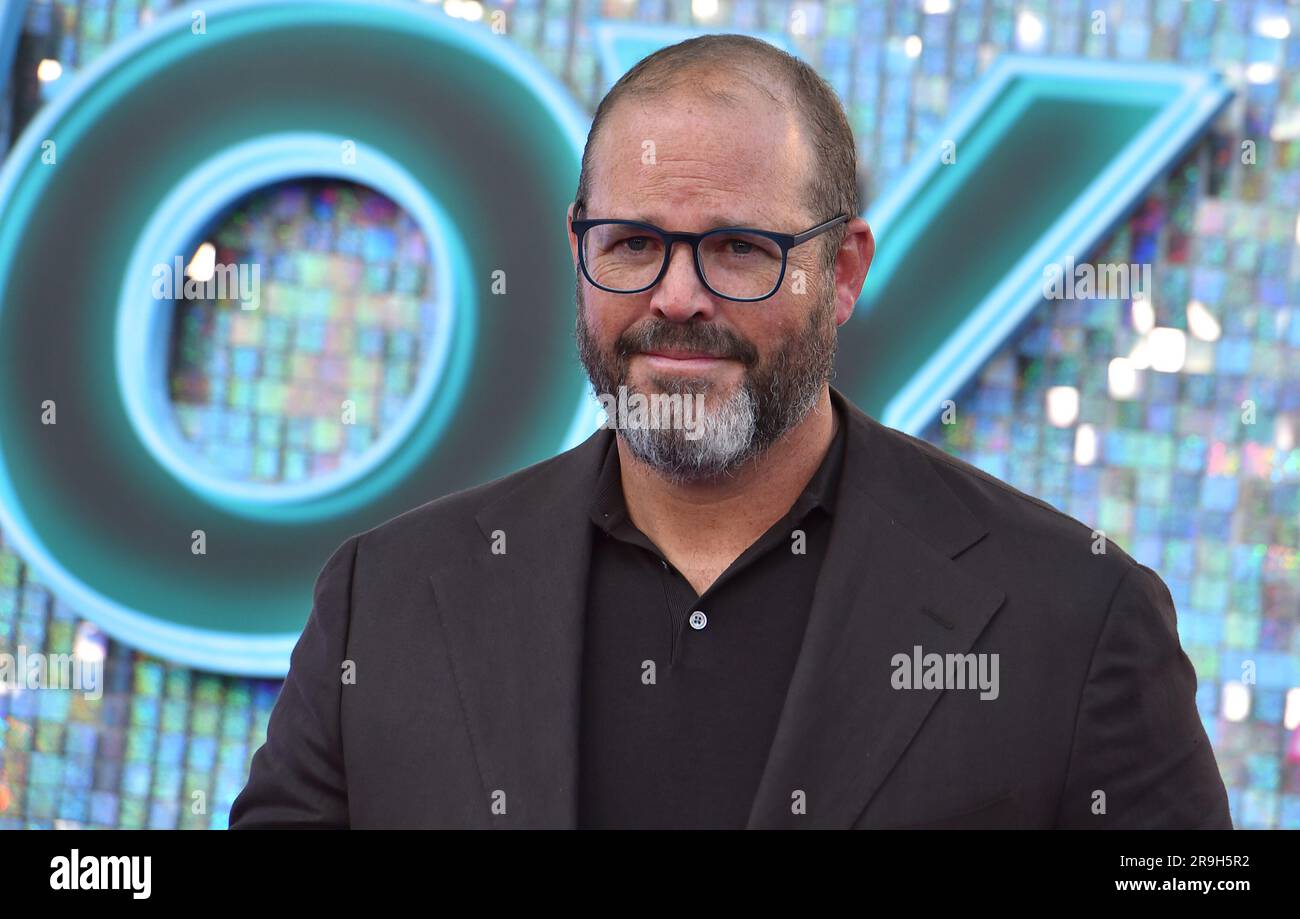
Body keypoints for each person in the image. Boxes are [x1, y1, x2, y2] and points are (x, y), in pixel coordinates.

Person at [229, 34, 1231, 829]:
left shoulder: (1074, 614)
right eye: (631, 244)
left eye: (738, 250)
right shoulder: (386, 595)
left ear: (841, 272)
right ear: (578, 249)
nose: (676, 298)